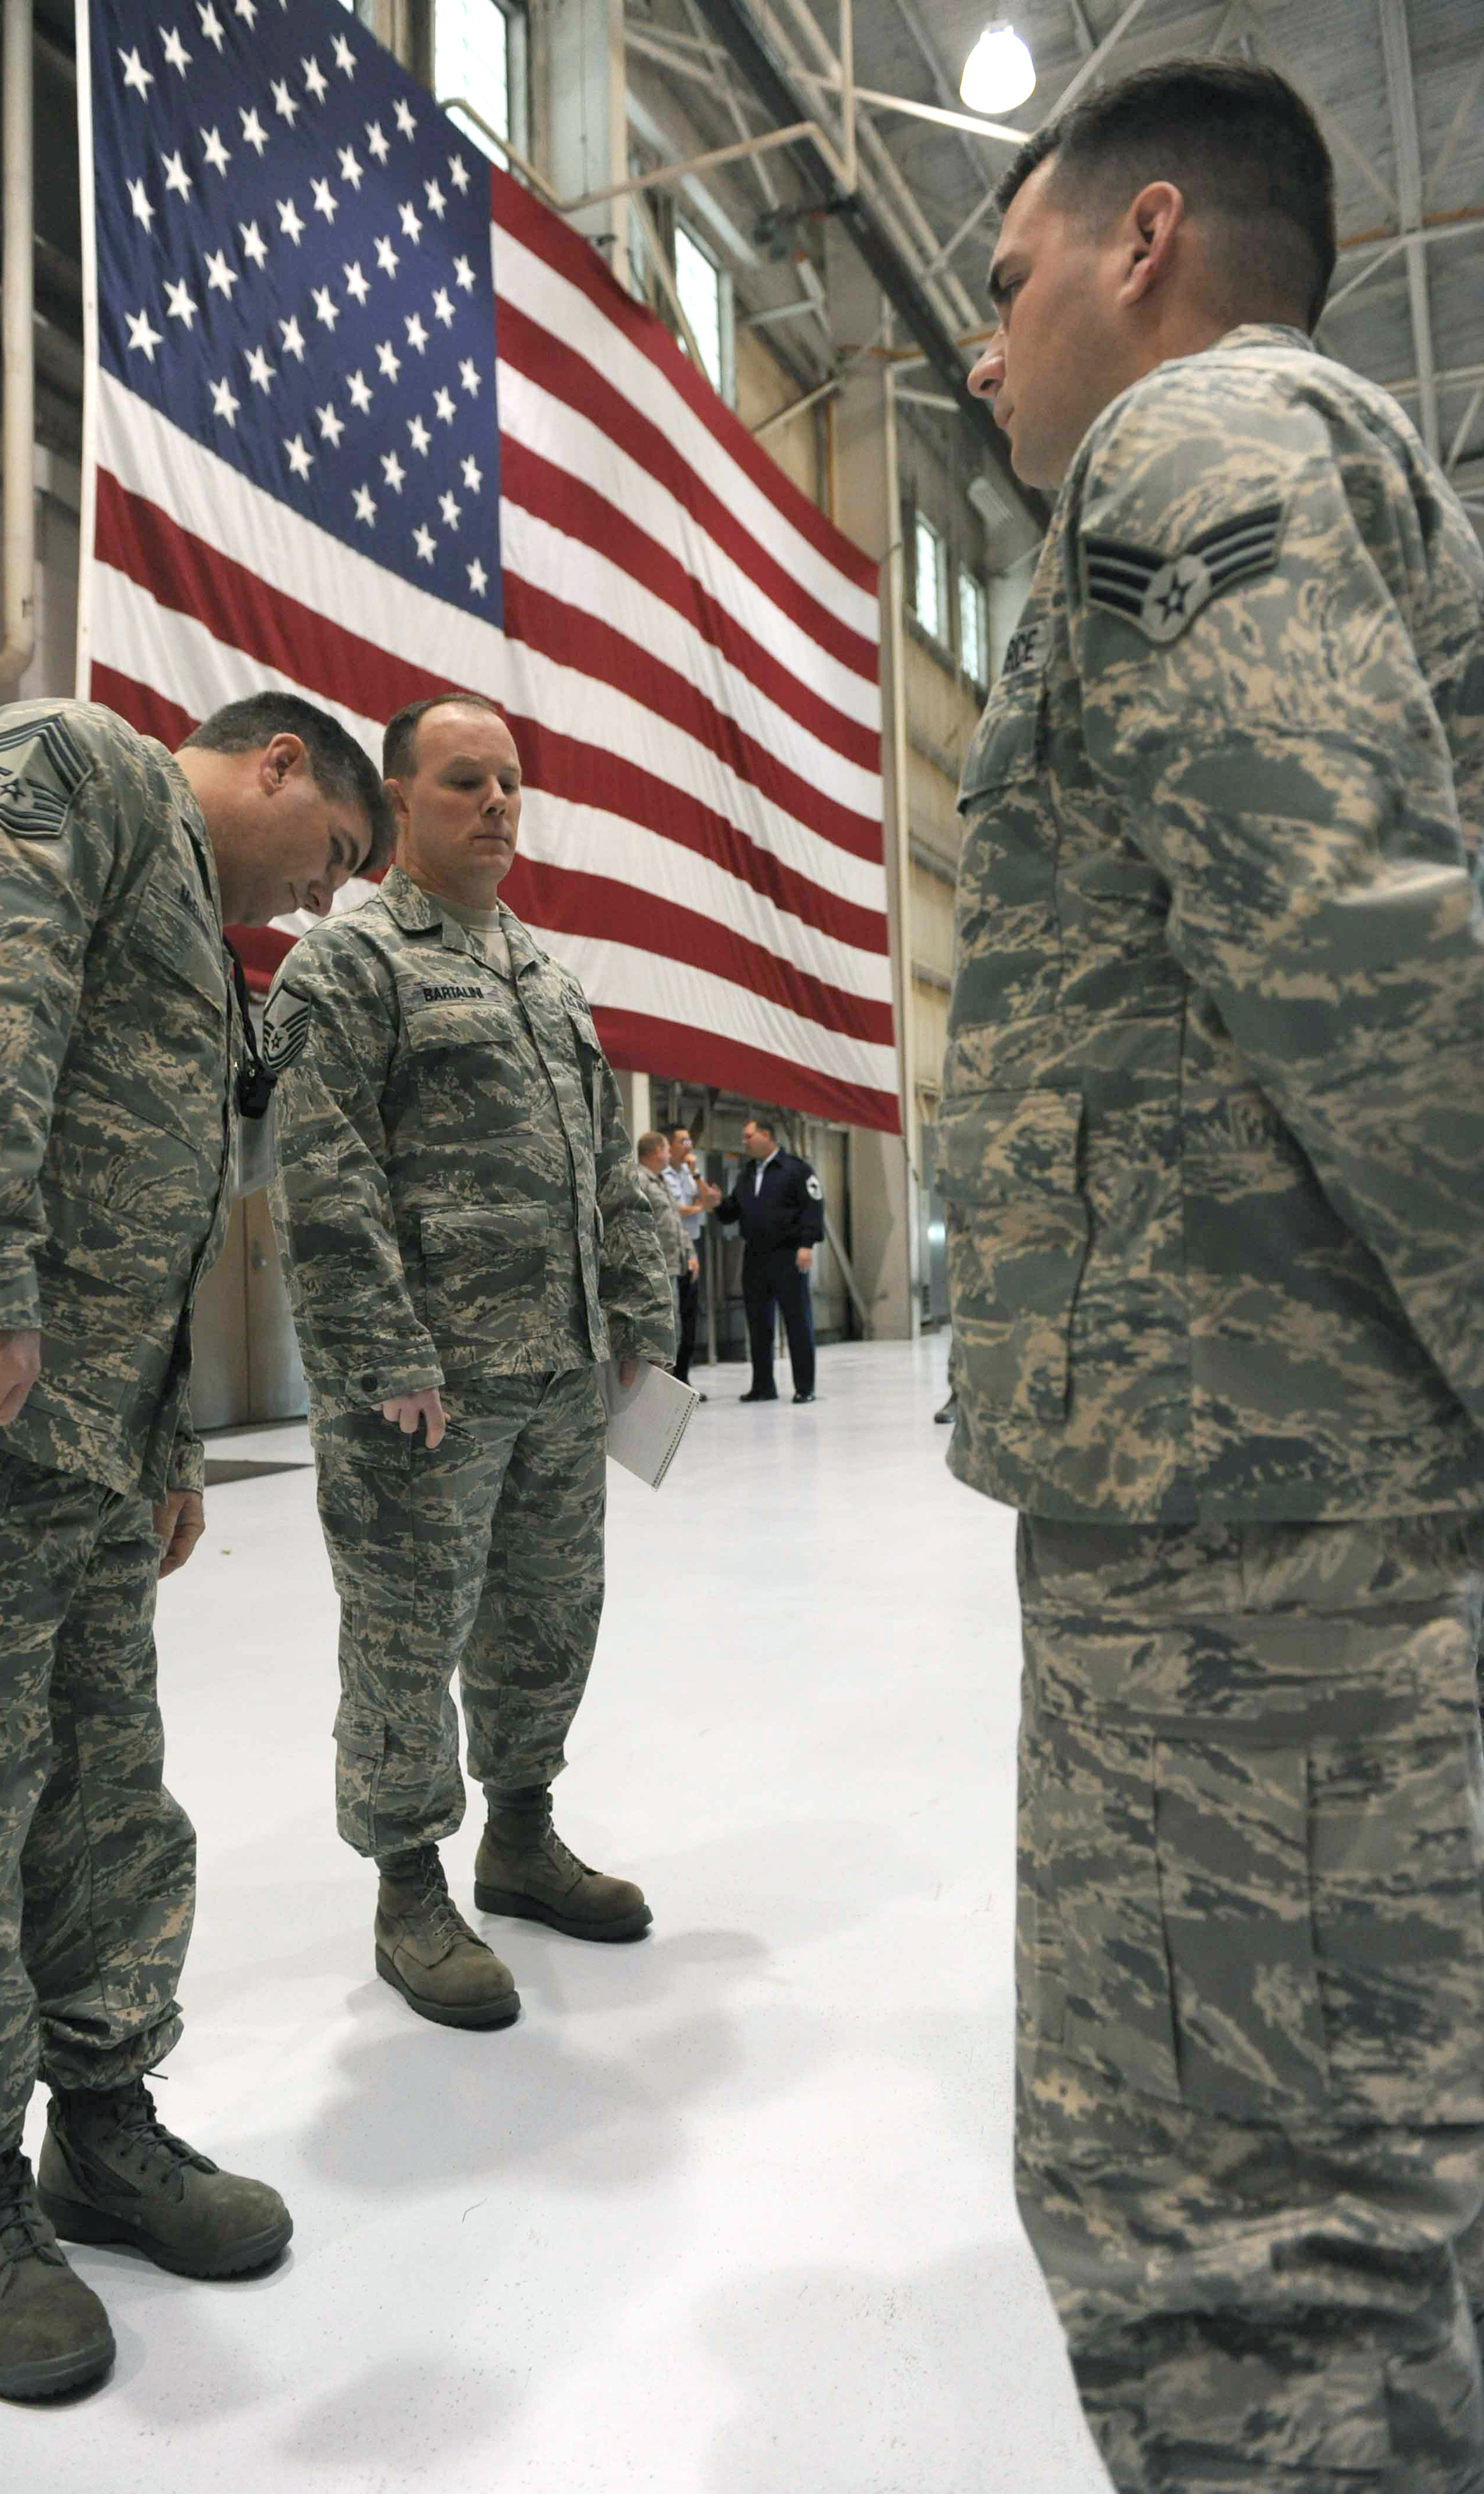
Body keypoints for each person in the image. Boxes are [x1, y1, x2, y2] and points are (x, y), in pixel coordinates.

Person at [939, 57, 1484, 2490]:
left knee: (1236, 2218)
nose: (975, 347)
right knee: (1301, 2154)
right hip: (1252, 1469)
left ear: (1139, 237)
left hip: (1246, 1511)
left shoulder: (1190, 451)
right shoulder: (1292, 457)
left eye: (1003, 274)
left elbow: (1348, 944)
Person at [0, 691, 384, 2401]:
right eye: (334, 857)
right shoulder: (71, 767)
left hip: (69, 1449)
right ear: (278, 764)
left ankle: (102, 2129)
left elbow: (130, 1195)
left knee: (101, 1801)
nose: (318, 901)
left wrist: (159, 1442)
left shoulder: (182, 918)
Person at [264, 690, 674, 2034]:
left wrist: (641, 1333)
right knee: (405, 1635)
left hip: (557, 1379)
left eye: (509, 780)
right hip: (423, 1394)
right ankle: (406, 1884)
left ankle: (522, 1831)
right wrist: (386, 1351)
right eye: (462, 781)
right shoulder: (353, 963)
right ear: (394, 804)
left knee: (549, 1618)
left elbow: (608, 1175)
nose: (497, 801)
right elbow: (327, 1178)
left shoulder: (544, 975)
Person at [712, 1116, 824, 1404]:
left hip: (788, 1254)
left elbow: (813, 1205)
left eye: (748, 1136)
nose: (744, 1141)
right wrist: (718, 1204)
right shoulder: (748, 1173)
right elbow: (733, 1211)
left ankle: (804, 1387)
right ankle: (763, 1386)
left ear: (766, 1134)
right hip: (756, 1256)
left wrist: (807, 1244)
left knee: (797, 1321)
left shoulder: (796, 1169)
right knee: (758, 1324)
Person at [662, 1125, 717, 1394]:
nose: (688, 1146)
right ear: (668, 1145)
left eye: (690, 1141)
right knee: (674, 1319)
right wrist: (699, 1207)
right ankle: (670, 1380)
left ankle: (685, 1378)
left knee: (690, 1314)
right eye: (683, 1141)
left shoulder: (687, 1171)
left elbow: (709, 1199)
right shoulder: (662, 1173)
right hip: (670, 1249)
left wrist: (695, 1173)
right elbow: (675, 1209)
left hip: (691, 1247)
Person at [635, 1131, 690, 1360]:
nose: (669, 1154)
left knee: (673, 1324)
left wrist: (689, 1252)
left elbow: (674, 1220)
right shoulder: (638, 1180)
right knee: (660, 1328)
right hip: (653, 1268)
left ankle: (674, 1384)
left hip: (671, 1265)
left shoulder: (660, 1180)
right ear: (657, 1151)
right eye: (667, 1149)